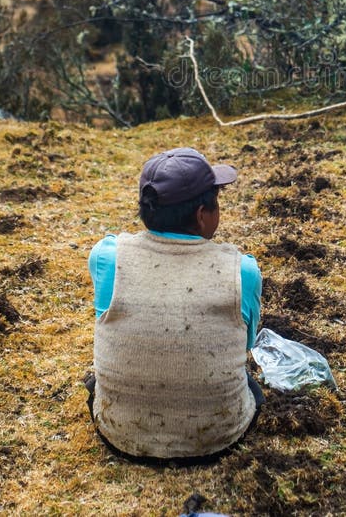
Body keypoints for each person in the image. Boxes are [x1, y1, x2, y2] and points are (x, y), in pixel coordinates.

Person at [86, 146, 263, 463]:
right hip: (217, 437)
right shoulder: (242, 271)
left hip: (121, 435)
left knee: (93, 380)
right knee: (253, 388)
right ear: (201, 215)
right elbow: (246, 345)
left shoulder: (108, 256)